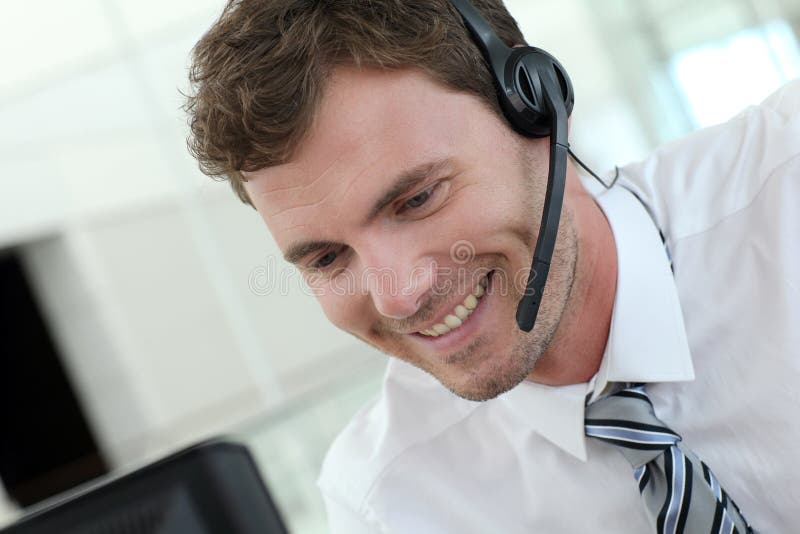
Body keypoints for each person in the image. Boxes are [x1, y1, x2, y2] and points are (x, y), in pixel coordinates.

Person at [184, 1, 799, 532]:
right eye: (326, 257)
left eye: (418, 199)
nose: (398, 296)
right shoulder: (390, 501)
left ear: (538, 107)